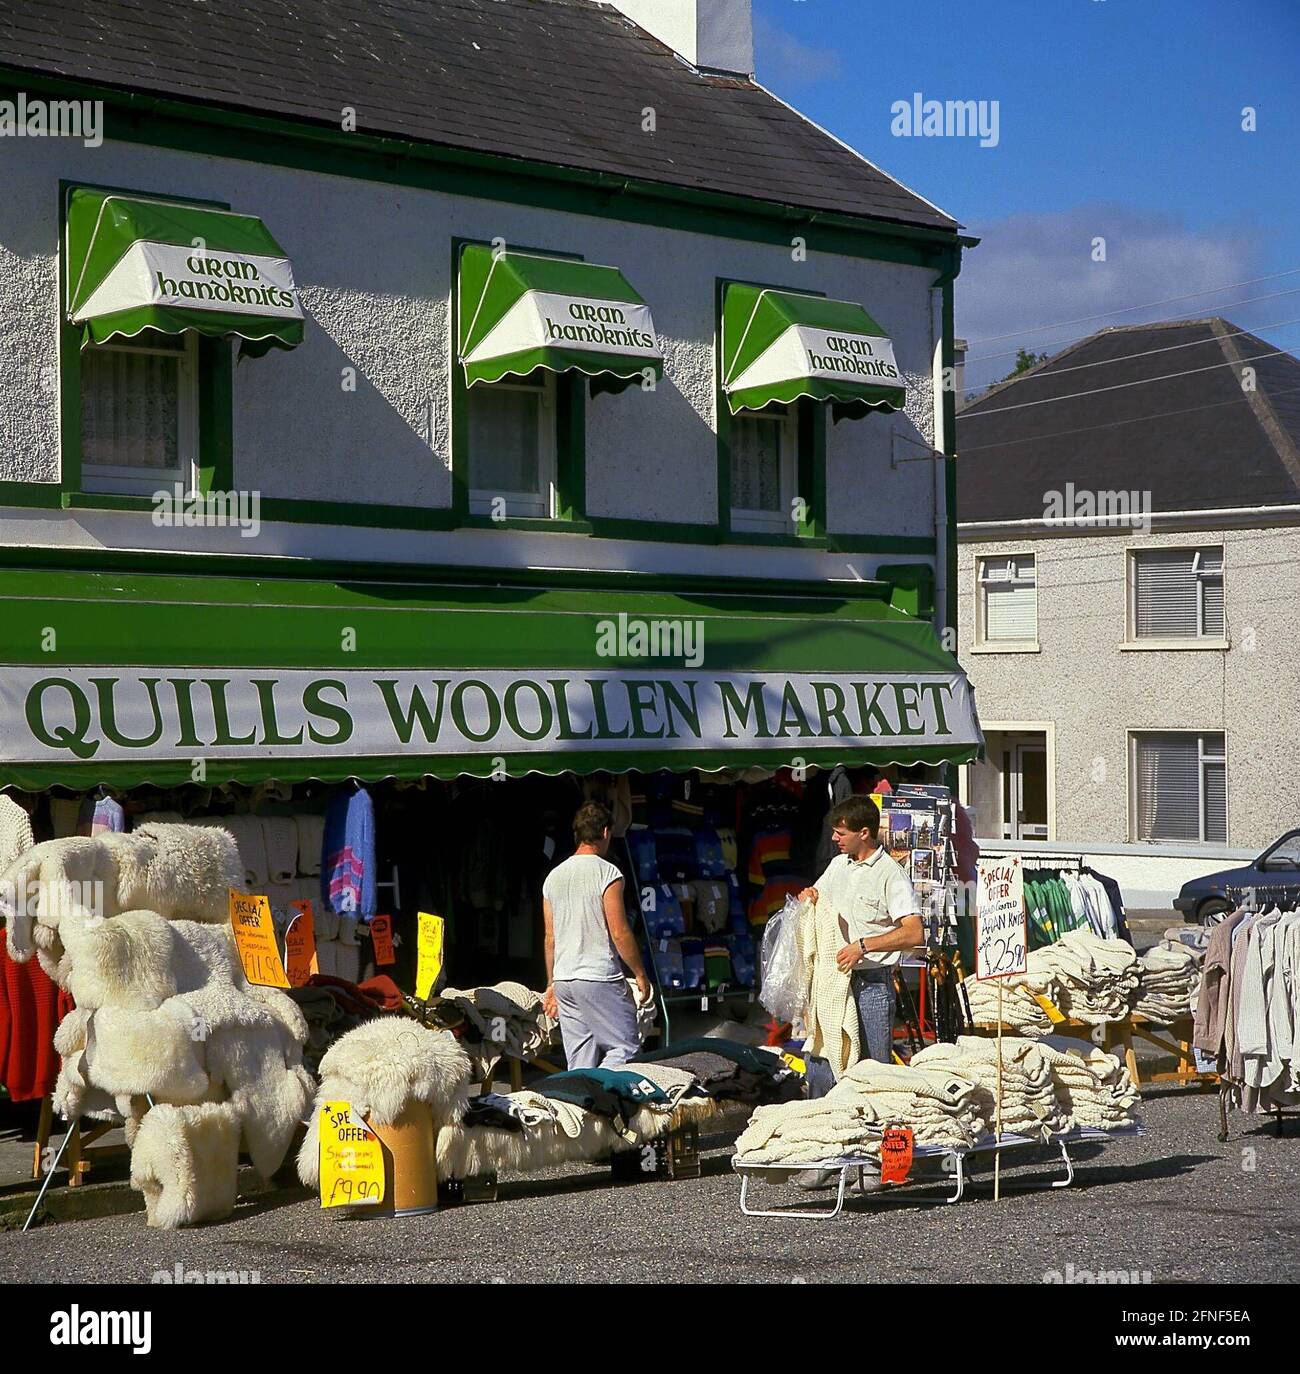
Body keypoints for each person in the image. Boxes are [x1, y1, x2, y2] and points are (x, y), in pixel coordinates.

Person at [792, 794, 923, 1188]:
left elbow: (914, 932)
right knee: (822, 1064)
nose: (834, 838)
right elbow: (818, 898)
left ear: (864, 833)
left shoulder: (890, 875)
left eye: (841, 831)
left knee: (870, 1071)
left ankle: (873, 1161)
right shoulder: (838, 866)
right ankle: (828, 1152)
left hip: (871, 985)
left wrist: (864, 945)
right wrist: (809, 897)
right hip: (834, 984)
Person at [541, 801, 652, 1069]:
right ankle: (607, 1094)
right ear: (605, 833)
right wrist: (639, 973)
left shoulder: (553, 877)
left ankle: (582, 1107)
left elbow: (550, 938)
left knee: (580, 1059)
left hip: (565, 979)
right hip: (598, 976)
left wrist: (551, 984)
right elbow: (619, 931)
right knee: (625, 1049)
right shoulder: (608, 873)